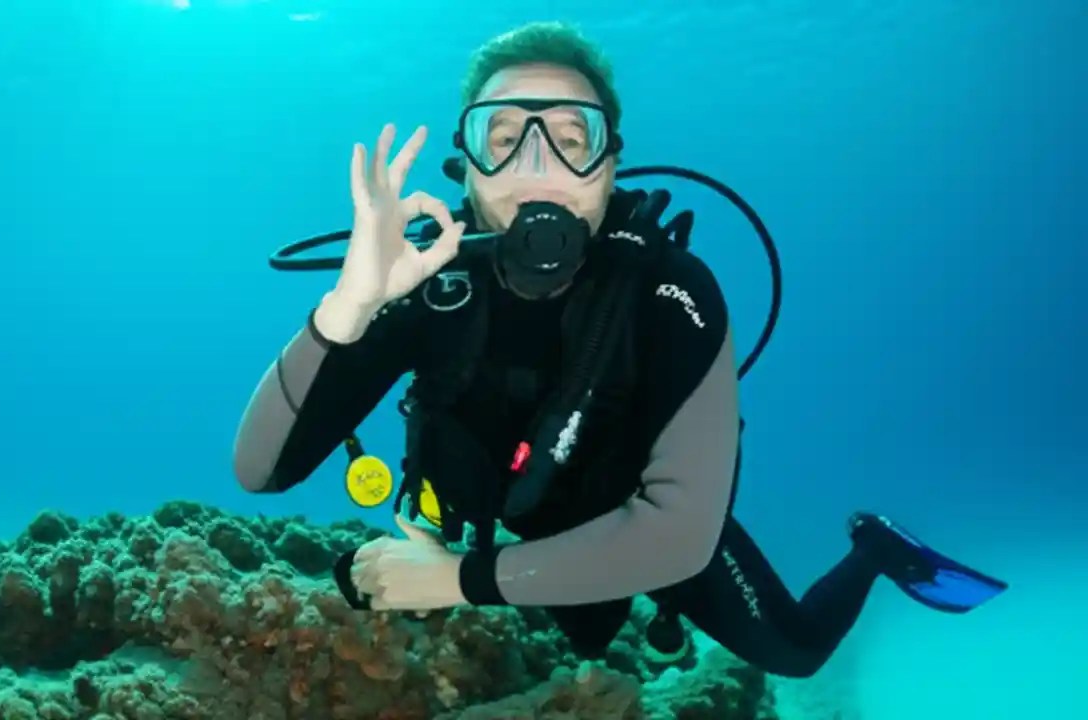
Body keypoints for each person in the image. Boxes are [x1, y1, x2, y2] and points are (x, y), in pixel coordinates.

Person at [232, 21, 1008, 678]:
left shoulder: (671, 292)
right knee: (588, 635)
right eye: (502, 139)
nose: (537, 166)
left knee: (796, 653)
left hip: (640, 529)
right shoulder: (429, 286)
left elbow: (678, 534)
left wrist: (462, 581)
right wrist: (349, 306)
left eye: (574, 138)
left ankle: (873, 549)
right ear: (464, 168)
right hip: (518, 536)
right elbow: (260, 470)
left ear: (610, 166)